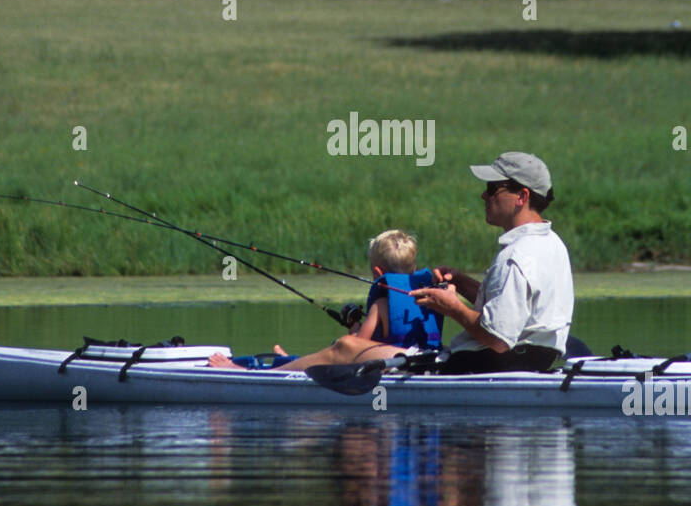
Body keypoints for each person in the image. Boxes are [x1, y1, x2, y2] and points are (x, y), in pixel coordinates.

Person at [411, 151, 573, 374]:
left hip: (492, 365)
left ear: (522, 197)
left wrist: (453, 308)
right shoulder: (552, 244)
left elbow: (498, 338)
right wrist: (459, 281)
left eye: (492, 188)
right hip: (533, 362)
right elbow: (510, 304)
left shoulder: (516, 257)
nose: (484, 196)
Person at [207, 228, 442, 371]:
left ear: (378, 274)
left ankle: (272, 368)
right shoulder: (428, 294)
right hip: (421, 358)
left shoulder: (381, 303)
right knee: (335, 350)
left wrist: (354, 327)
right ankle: (289, 362)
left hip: (394, 363)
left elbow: (357, 345)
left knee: (341, 346)